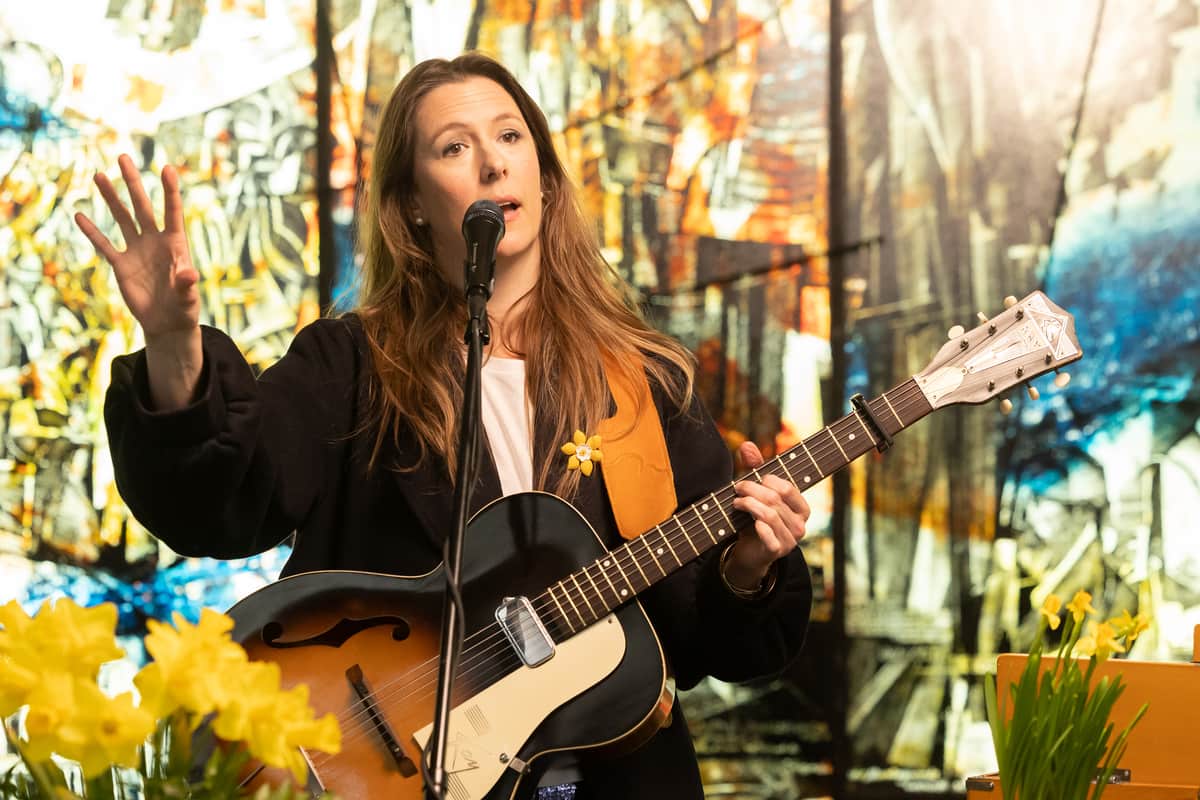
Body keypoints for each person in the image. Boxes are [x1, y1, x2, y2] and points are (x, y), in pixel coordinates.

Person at [76, 52, 813, 800]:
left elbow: (704, 640)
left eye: (511, 137)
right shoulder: (352, 365)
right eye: (455, 147)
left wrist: (749, 568)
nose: (493, 164)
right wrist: (174, 346)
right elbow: (220, 504)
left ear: (546, 180)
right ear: (414, 204)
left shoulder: (647, 382)